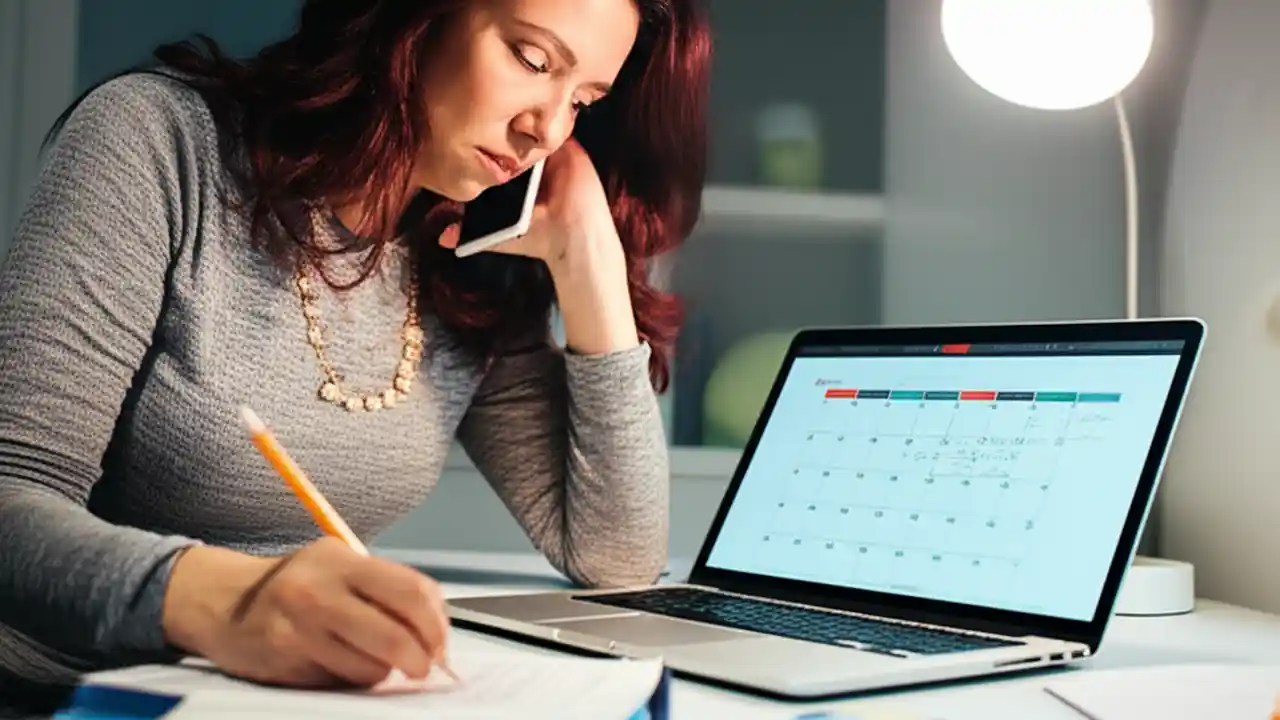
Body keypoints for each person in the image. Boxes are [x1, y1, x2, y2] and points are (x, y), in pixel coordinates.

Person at [0, 0, 710, 701]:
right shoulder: (160, 141)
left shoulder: (467, 262)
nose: (548, 130)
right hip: (66, 693)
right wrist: (233, 601)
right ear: (418, 20)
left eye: (583, 102)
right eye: (532, 59)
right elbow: (11, 499)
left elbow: (618, 559)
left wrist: (590, 257)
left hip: (285, 702)